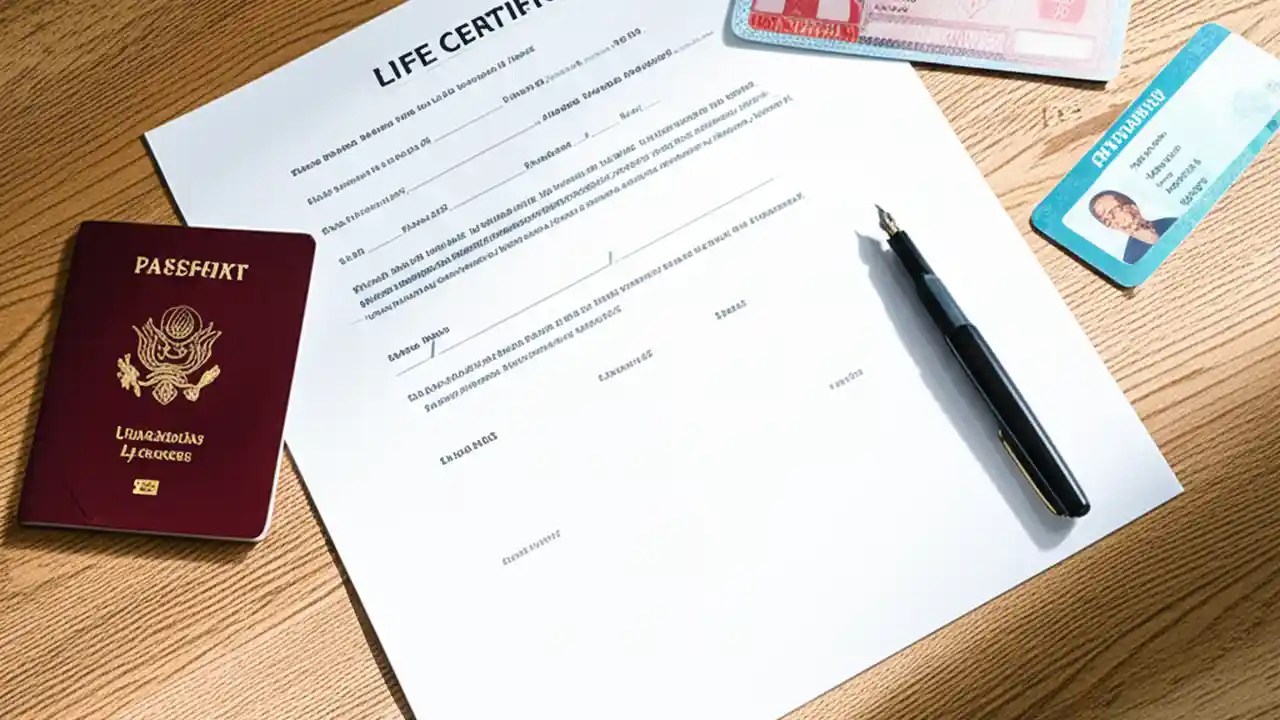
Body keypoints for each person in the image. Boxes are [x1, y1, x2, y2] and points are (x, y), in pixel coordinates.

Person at [1088, 190, 1177, 264]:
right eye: (1106, 220)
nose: (1113, 221)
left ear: (1132, 207)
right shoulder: (1132, 259)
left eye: (1113, 212)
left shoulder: (1172, 223)